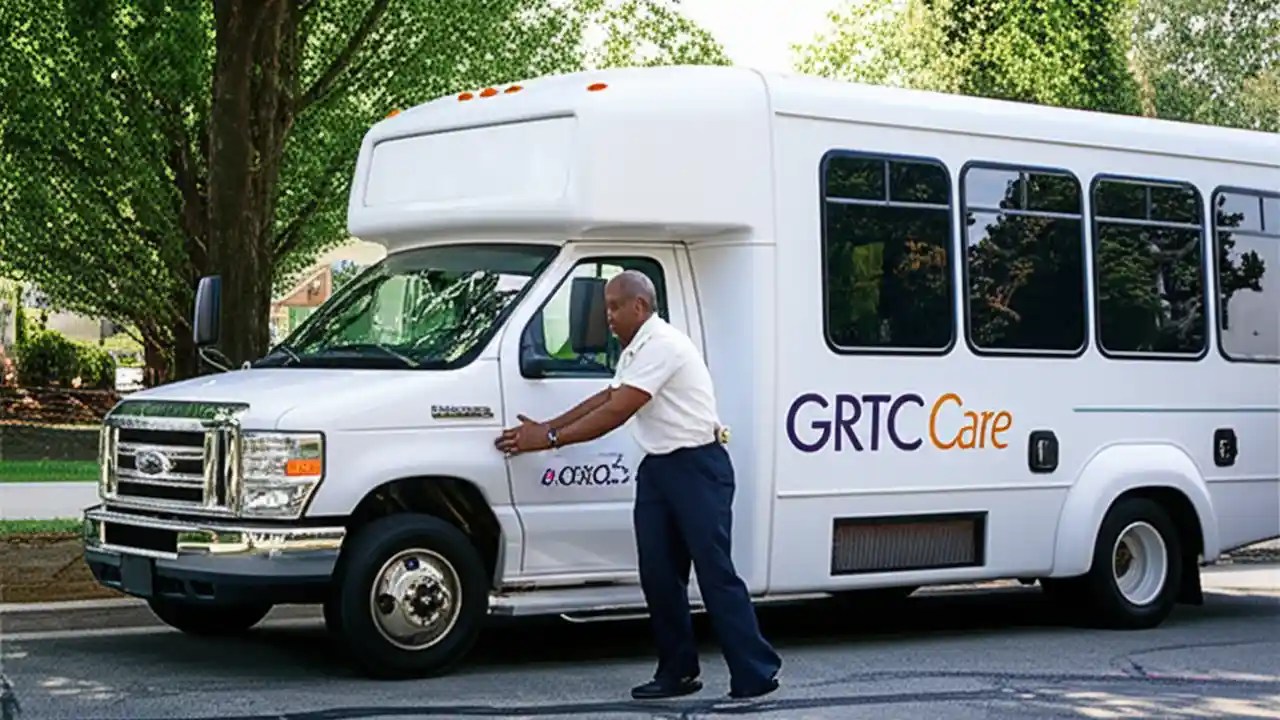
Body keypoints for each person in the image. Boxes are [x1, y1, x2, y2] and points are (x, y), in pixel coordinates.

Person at [495, 270, 782, 701]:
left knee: (714, 573)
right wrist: (546, 426)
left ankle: (756, 671)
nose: (607, 315)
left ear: (640, 307)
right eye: (605, 306)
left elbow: (618, 412)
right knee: (659, 577)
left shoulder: (662, 345)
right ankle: (677, 672)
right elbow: (605, 398)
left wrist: (550, 439)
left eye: (613, 306)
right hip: (660, 470)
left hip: (697, 468)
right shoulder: (636, 348)